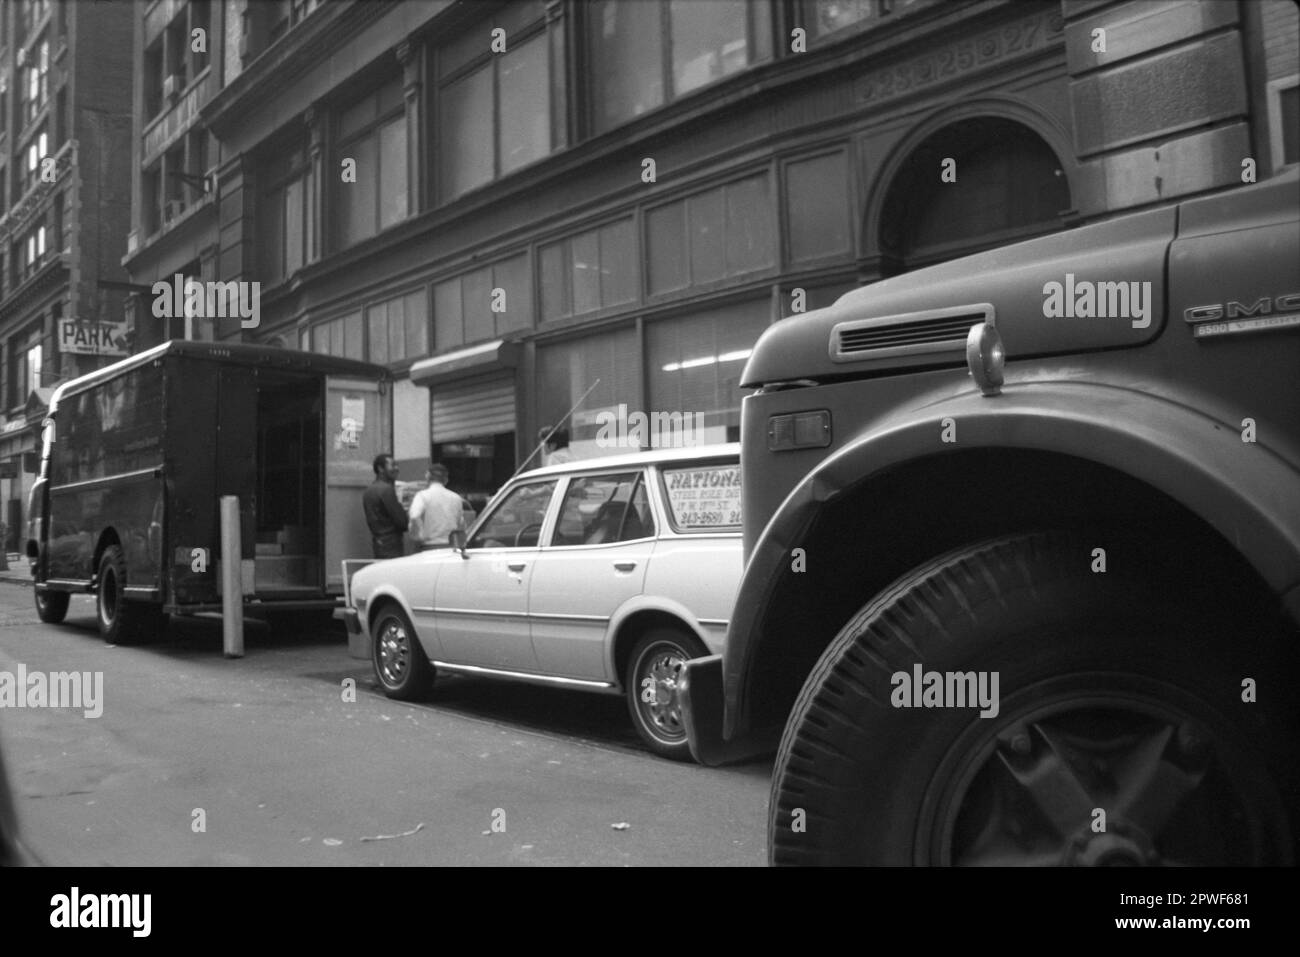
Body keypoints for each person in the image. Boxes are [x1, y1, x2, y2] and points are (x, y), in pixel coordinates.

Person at [408, 463, 467, 550]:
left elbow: (414, 516)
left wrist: (418, 536)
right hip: (451, 547)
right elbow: (460, 523)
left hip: (429, 547)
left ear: (427, 476)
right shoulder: (456, 497)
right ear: (446, 479)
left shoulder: (422, 496)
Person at [362, 453, 408, 559]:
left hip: (379, 542)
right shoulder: (386, 490)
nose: (397, 468)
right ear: (380, 468)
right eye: (392, 465)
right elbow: (402, 522)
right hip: (392, 544)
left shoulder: (369, 490)